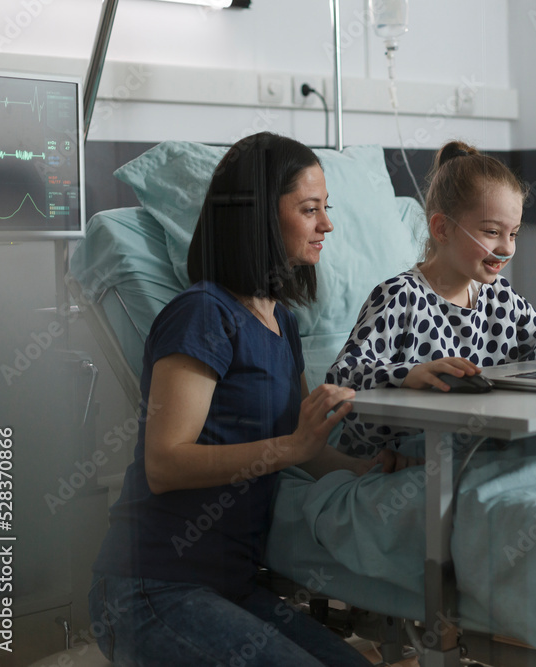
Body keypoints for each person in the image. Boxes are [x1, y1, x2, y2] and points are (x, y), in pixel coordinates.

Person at [88, 132, 379, 666]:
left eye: (326, 209)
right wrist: (293, 448)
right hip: (151, 588)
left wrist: (375, 470)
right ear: (261, 217)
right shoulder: (203, 314)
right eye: (310, 210)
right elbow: (165, 464)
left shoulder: (281, 322)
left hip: (232, 586)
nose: (327, 225)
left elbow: (307, 450)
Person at [328, 140, 536, 458]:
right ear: (443, 228)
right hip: (402, 459)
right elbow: (343, 376)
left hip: (472, 450)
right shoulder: (399, 297)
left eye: (513, 233)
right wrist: (408, 374)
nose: (507, 248)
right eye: (492, 232)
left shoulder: (498, 296)